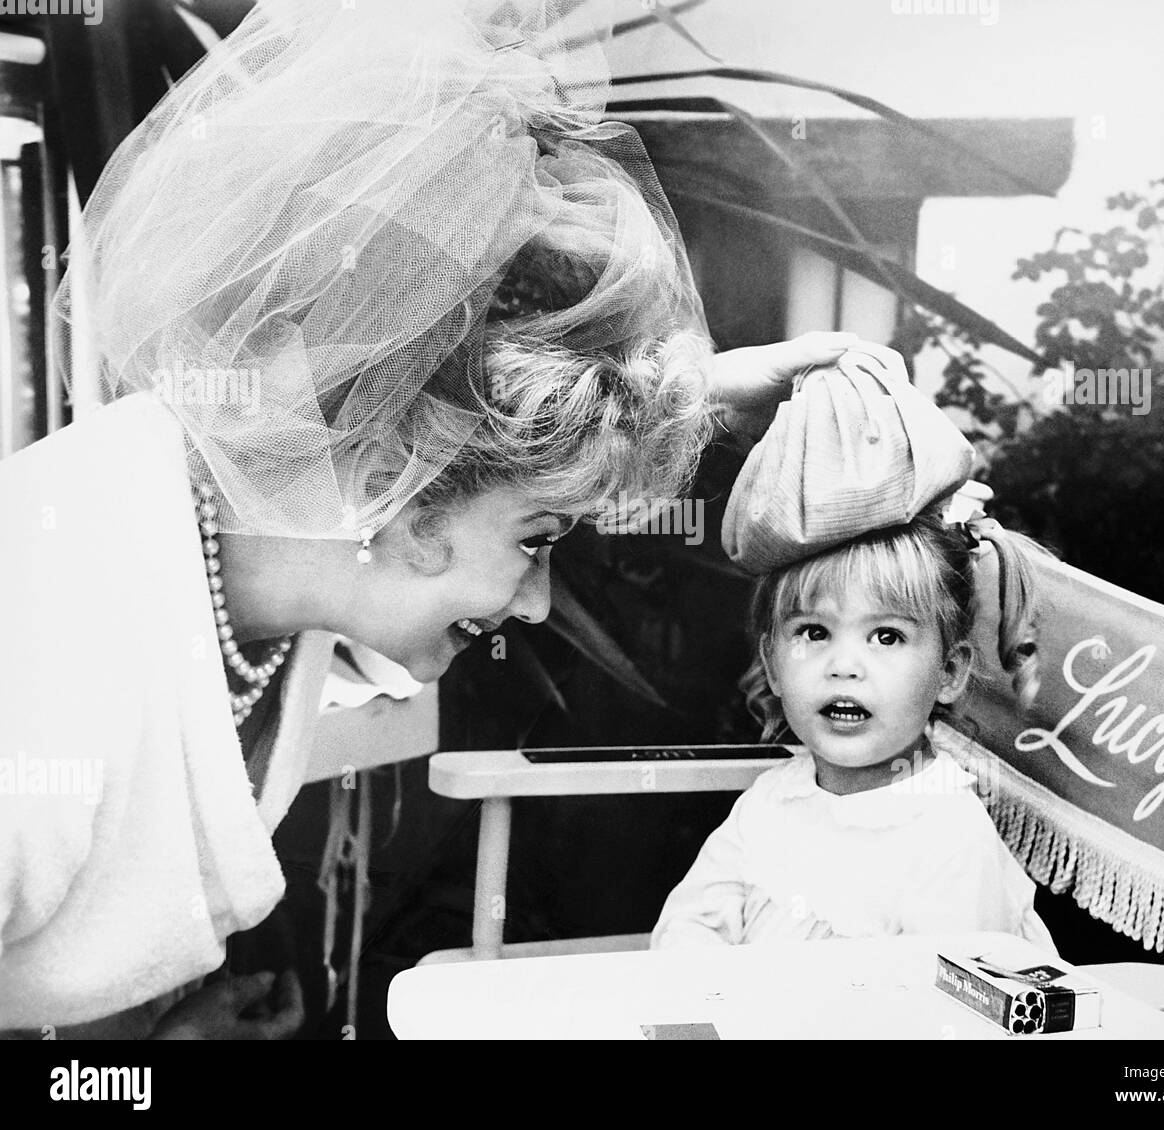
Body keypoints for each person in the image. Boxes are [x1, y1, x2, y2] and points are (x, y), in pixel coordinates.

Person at [0, 0, 865, 1038]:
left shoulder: (267, 530)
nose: (538, 604)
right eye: (537, 541)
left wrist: (695, 389)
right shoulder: (40, 670)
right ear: (385, 475)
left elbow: (446, 399)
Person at [651, 346, 1057, 951]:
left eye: (886, 636)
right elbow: (692, 924)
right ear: (772, 663)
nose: (844, 666)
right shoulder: (774, 802)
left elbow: (941, 1010)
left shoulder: (945, 834)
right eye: (813, 633)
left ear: (949, 673)